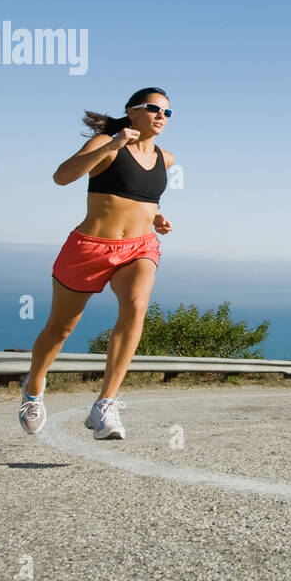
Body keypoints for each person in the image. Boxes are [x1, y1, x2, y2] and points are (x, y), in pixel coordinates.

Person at [18, 87, 175, 440]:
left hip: (139, 247)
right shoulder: (107, 143)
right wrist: (110, 147)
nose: (161, 116)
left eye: (167, 112)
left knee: (136, 306)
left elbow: (142, 200)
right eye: (154, 108)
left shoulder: (166, 159)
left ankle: (105, 404)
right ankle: (33, 386)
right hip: (89, 249)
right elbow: (62, 176)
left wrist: (158, 219)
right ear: (132, 111)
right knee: (60, 329)